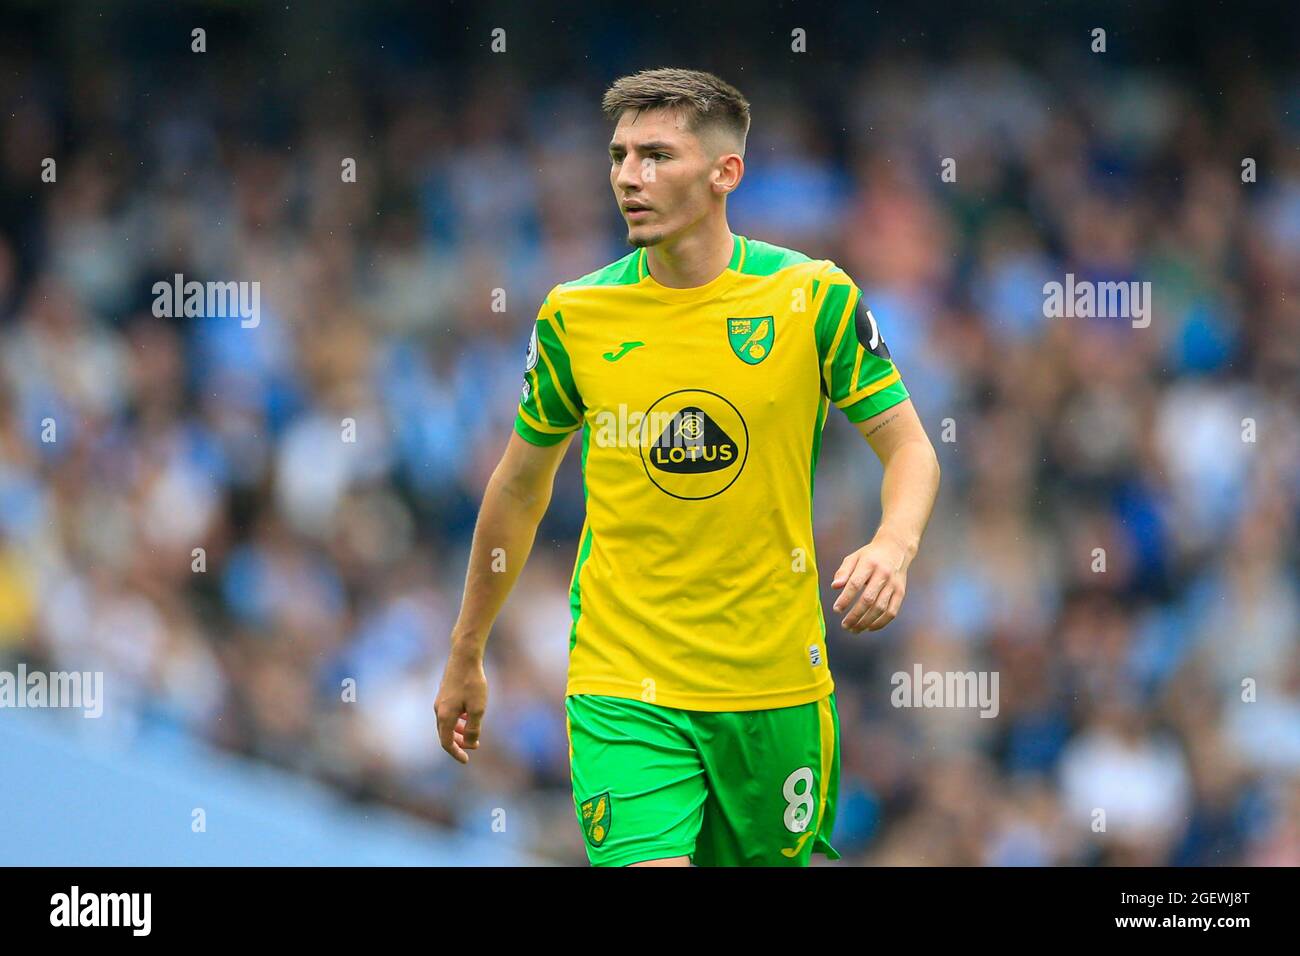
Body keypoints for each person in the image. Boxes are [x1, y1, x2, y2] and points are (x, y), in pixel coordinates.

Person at [436, 67, 941, 866]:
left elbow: (910, 446)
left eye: (656, 156)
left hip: (774, 688)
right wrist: (467, 650)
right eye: (619, 155)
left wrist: (893, 546)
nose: (628, 177)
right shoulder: (578, 316)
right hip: (623, 684)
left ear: (724, 172)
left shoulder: (812, 298)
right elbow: (518, 487)